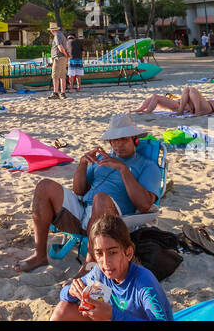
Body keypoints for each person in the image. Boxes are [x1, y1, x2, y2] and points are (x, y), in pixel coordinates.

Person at [15, 115, 161, 273]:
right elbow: (78, 191)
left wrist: (123, 170)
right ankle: (39, 255)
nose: (117, 145)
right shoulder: (102, 160)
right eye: (113, 140)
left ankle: (90, 264)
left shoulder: (147, 166)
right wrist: (83, 164)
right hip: (82, 210)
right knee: (44, 186)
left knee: (100, 198)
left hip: (111, 216)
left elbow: (145, 205)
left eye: (123, 139)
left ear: (135, 139)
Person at [51, 215, 173, 321]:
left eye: (113, 252)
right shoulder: (99, 273)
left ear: (128, 253)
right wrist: (70, 291)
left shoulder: (144, 284)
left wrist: (112, 315)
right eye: (99, 253)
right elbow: (64, 296)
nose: (105, 262)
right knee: (63, 309)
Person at [134, 85, 214, 116]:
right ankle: (181, 111)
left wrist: (213, 113)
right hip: (205, 106)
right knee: (187, 89)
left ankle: (197, 111)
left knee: (192, 89)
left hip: (208, 109)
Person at [49, 24, 70, 100]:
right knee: (62, 76)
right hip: (62, 58)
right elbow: (66, 47)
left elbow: (60, 47)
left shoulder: (57, 35)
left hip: (58, 57)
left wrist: (65, 54)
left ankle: (55, 93)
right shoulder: (62, 35)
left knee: (55, 76)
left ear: (52, 30)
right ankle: (63, 93)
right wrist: (67, 55)